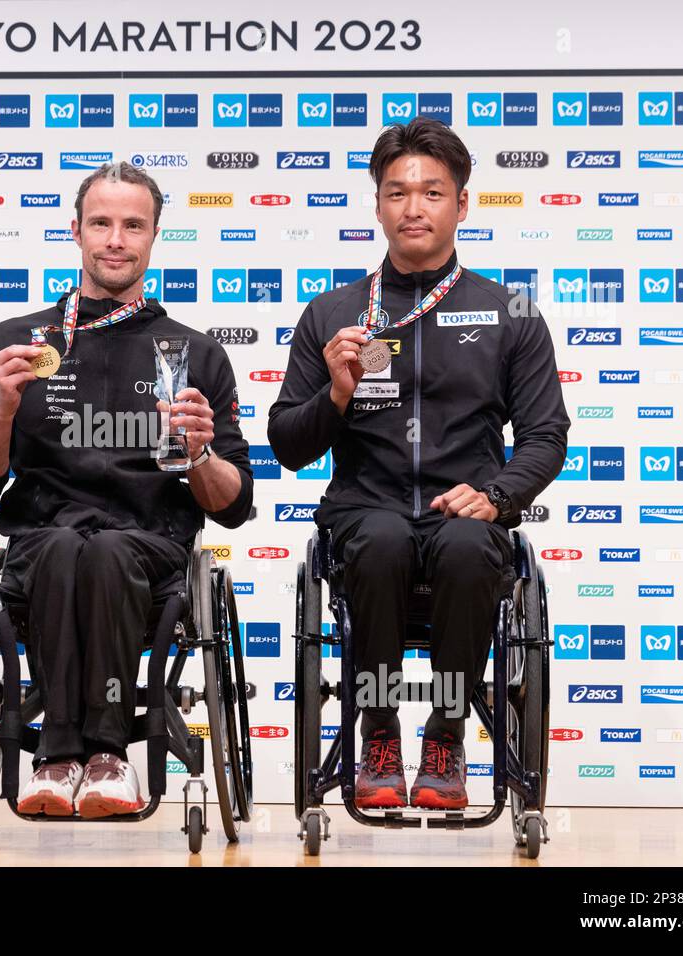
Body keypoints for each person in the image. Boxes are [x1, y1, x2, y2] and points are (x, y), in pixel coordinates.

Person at [268, 118, 568, 811]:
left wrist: (496, 494)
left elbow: (546, 434)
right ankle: (377, 729)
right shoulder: (334, 314)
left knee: (466, 547)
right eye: (397, 192)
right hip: (364, 512)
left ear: (461, 205)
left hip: (467, 510)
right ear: (377, 205)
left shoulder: (509, 313)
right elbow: (288, 444)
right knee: (381, 539)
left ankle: (446, 731)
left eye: (432, 192)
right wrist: (336, 394)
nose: (413, 207)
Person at [0, 162, 253, 818]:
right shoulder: (17, 343)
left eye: (133, 225)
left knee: (108, 551)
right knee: (64, 547)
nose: (116, 238)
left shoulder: (191, 353)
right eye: (102, 223)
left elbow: (234, 506)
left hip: (150, 548)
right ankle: (59, 757)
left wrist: (199, 454)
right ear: (76, 231)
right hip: (42, 546)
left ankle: (106, 756)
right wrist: (1, 409)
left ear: (154, 235)